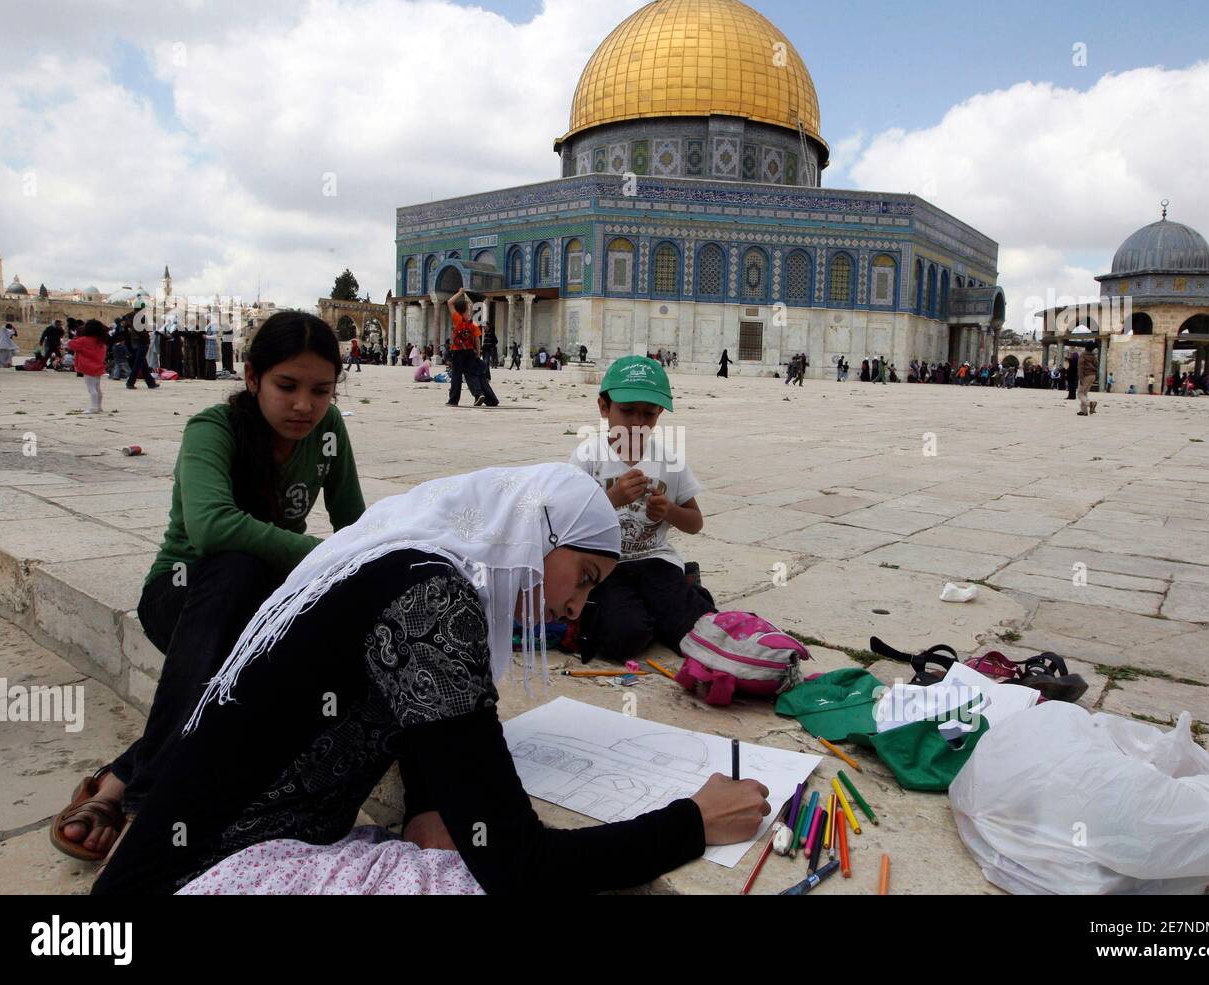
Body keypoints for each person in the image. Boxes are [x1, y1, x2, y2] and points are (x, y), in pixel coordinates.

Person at [91, 461, 770, 895]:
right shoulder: (435, 602)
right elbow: (523, 868)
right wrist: (691, 821)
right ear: (536, 532)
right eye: (584, 577)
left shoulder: (412, 567)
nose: (576, 607)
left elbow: (414, 705)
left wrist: (426, 800)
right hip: (210, 875)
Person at [50, 312, 367, 865]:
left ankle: (119, 780)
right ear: (251, 378)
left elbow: (355, 525)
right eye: (286, 387)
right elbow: (212, 526)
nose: (304, 406)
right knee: (237, 566)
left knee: (286, 662)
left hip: (260, 605)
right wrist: (324, 556)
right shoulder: (212, 429)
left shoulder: (328, 431)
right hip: (183, 596)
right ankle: (151, 800)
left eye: (321, 391)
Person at [568, 356, 716, 669]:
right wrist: (611, 498)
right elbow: (569, 521)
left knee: (696, 632)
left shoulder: (669, 461)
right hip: (605, 564)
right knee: (622, 640)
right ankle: (645, 613)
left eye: (648, 414)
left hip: (655, 560)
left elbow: (695, 523)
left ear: (660, 413)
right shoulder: (587, 457)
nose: (637, 422)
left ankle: (674, 599)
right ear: (604, 408)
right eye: (627, 410)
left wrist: (670, 510)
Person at [446, 287, 498, 407]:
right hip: (470, 352)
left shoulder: (457, 319)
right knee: (471, 375)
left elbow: (449, 302)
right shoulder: (473, 324)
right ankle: (478, 394)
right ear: (466, 310)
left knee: (456, 376)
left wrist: (460, 292)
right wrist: (478, 354)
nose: (470, 310)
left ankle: (453, 400)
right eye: (468, 308)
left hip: (458, 352)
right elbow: (477, 340)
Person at [67, 319, 109, 414]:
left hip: (87, 368)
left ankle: (93, 408)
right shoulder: (100, 341)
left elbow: (71, 344)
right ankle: (99, 407)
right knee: (97, 388)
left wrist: (76, 337)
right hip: (98, 367)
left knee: (91, 389)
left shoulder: (84, 340)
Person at [125, 310, 159, 390]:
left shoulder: (129, 317)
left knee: (143, 364)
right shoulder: (141, 317)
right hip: (142, 342)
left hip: (135, 342)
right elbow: (144, 329)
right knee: (138, 364)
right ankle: (130, 382)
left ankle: (151, 383)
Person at [1077, 341, 1099, 416]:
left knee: (1080, 394)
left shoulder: (1083, 355)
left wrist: (1081, 378)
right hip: (1092, 375)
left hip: (1085, 375)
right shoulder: (1093, 356)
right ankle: (1084, 411)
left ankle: (1090, 404)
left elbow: (1081, 367)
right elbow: (1096, 365)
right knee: (1084, 393)